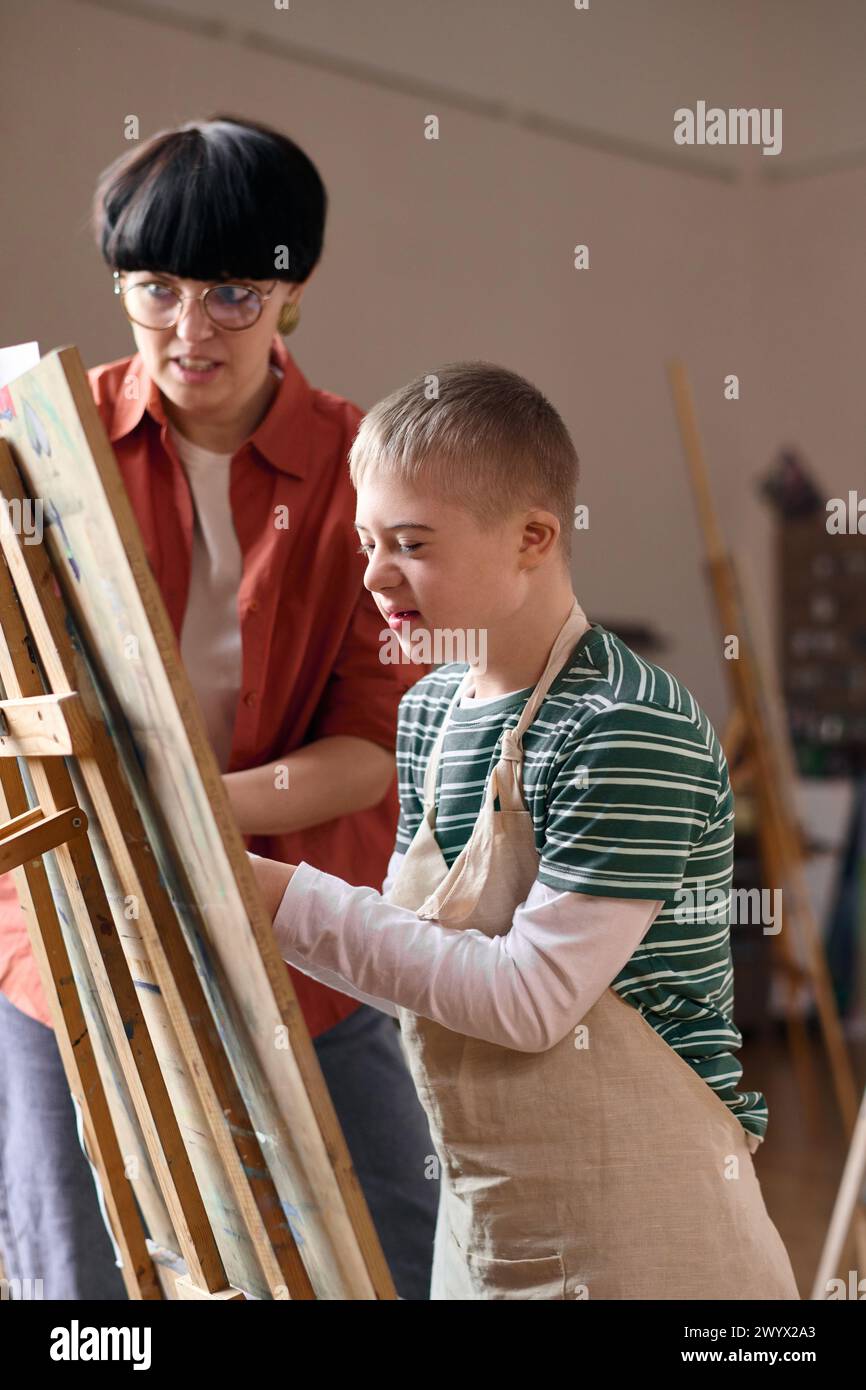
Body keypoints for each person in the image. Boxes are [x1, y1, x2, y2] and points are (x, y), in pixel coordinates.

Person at [248, 359, 802, 1300]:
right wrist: (258, 916)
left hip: (647, 1237)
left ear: (534, 538)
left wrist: (280, 898)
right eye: (368, 542)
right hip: (488, 1230)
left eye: (413, 544)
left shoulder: (624, 726)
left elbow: (530, 1003)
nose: (377, 577)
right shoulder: (427, 713)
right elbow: (414, 972)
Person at [0, 114, 438, 1302]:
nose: (189, 330)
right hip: (70, 929)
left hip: (298, 925)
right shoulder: (42, 443)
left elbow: (369, 746)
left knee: (390, 1248)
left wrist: (178, 815)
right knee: (69, 1271)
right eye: (155, 289)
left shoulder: (364, 466)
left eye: (234, 294)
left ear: (292, 292)